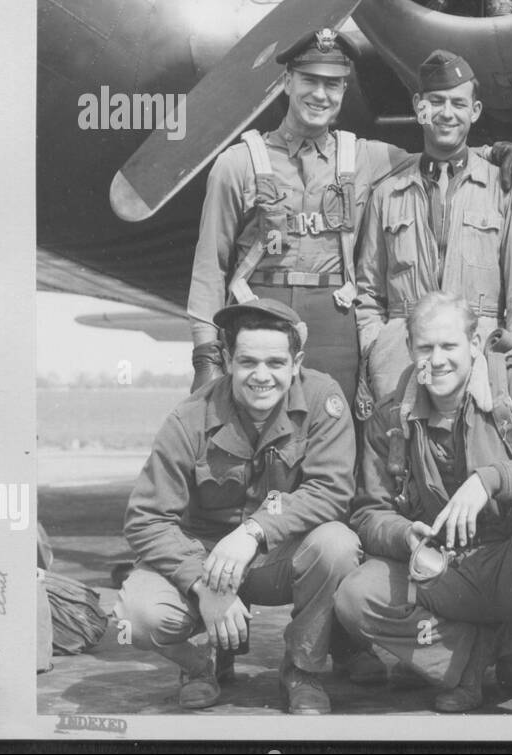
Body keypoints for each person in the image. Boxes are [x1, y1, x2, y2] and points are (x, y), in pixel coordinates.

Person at [187, 27, 512, 407]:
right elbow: (210, 267)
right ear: (286, 82)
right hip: (258, 311)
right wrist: (205, 354)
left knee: (332, 435)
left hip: (333, 322)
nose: (321, 95)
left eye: (334, 84)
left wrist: (500, 151)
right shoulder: (237, 164)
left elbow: (442, 153)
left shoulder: (364, 157)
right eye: (310, 80)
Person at [336, 292, 512, 715]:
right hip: (446, 570)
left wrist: (492, 480)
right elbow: (367, 511)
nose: (437, 360)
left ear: (474, 345)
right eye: (425, 347)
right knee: (356, 596)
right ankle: (468, 656)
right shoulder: (391, 416)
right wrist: (403, 535)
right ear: (410, 351)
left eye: (449, 346)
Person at [118, 298, 362, 714]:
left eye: (275, 362)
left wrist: (254, 531)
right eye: (248, 362)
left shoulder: (324, 399)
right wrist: (202, 585)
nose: (261, 376)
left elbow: (332, 489)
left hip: (274, 557)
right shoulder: (190, 417)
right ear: (228, 360)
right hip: (207, 561)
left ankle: (302, 669)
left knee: (337, 545)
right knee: (136, 614)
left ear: (296, 361)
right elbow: (145, 518)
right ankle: (201, 666)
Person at [355, 50, 512, 406]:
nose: (446, 113)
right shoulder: (386, 194)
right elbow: (368, 292)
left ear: (474, 112)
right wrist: (378, 346)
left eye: (458, 103)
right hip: (402, 360)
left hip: (482, 360)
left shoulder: (506, 189)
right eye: (436, 101)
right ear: (418, 107)